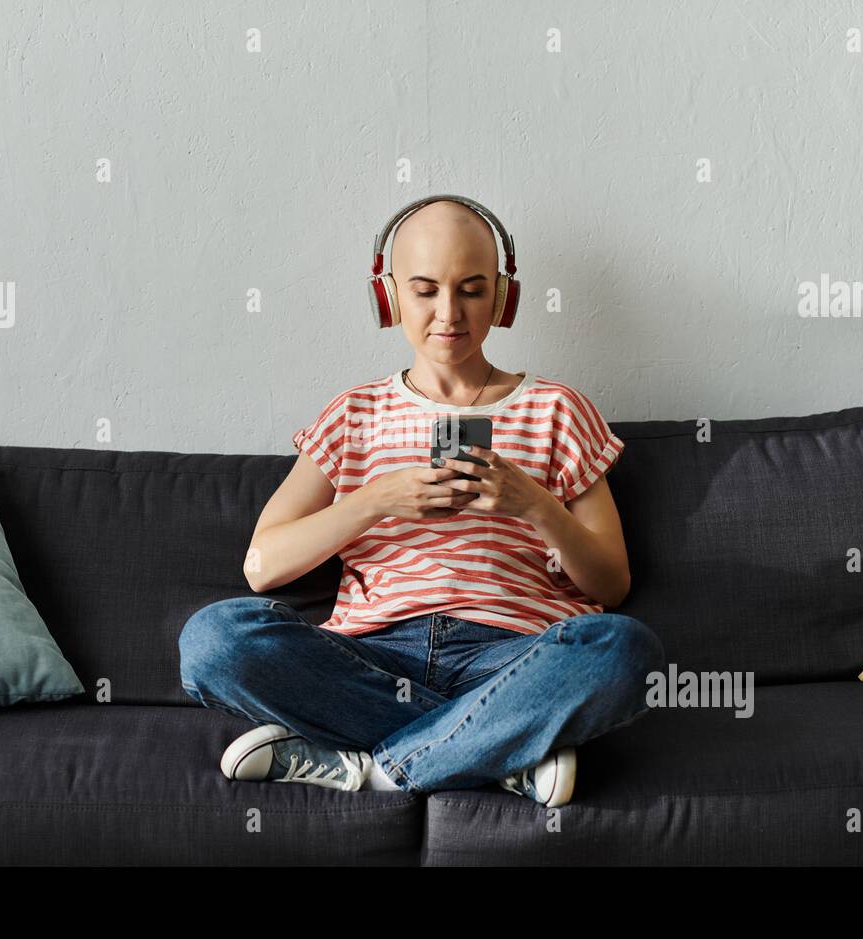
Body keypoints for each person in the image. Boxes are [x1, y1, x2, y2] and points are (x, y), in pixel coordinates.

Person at [178, 196, 664, 808]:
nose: (449, 313)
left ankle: (374, 767)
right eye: (426, 290)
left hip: (514, 659)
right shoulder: (354, 414)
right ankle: (494, 751)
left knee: (625, 650)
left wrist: (537, 506)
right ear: (390, 298)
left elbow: (612, 585)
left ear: (503, 299)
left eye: (472, 289)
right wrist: (375, 499)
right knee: (214, 638)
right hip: (372, 657)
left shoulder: (558, 410)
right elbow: (262, 567)